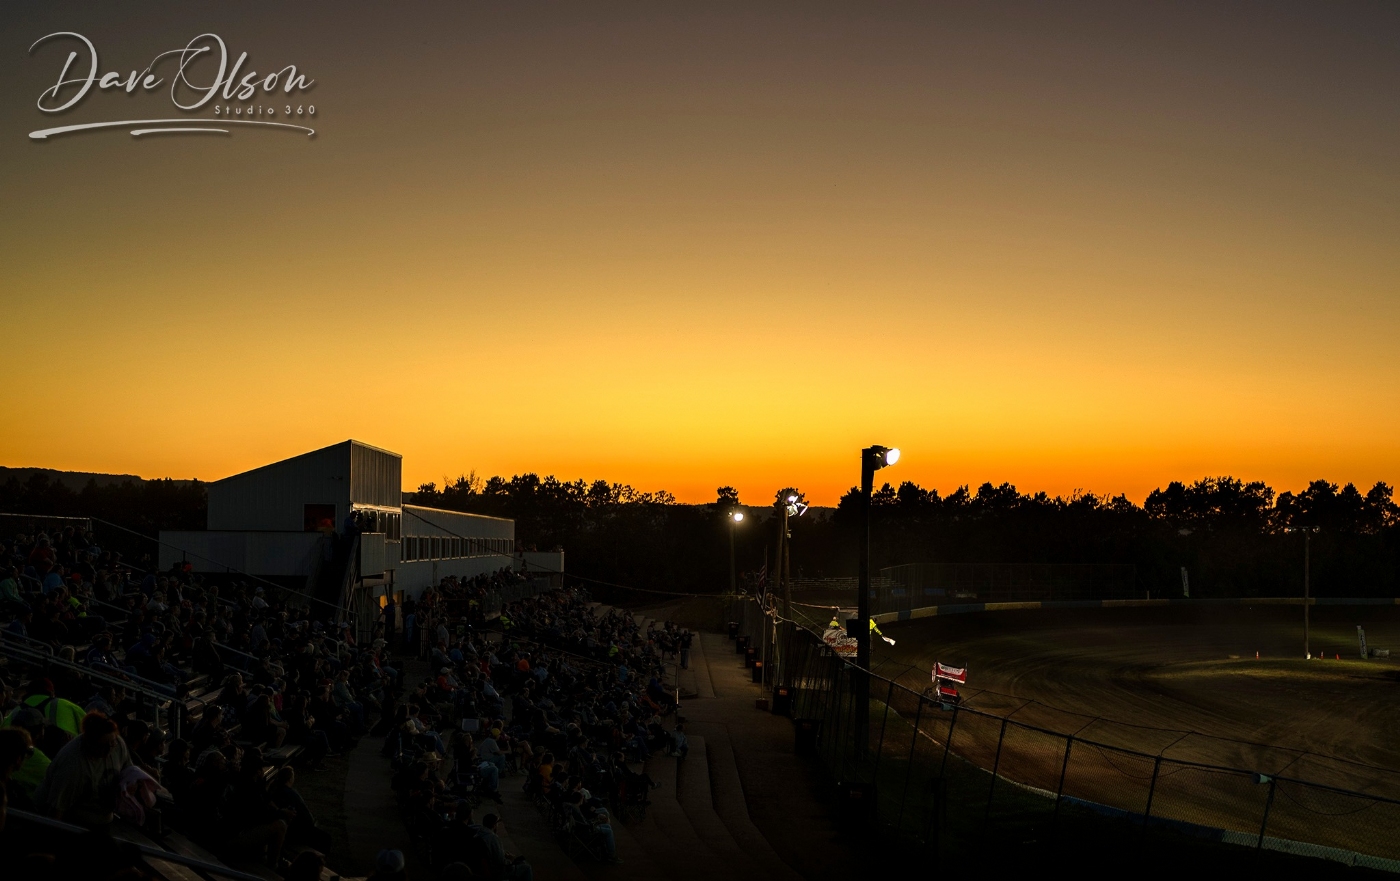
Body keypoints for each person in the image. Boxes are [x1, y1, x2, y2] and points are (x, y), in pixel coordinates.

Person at [34, 712, 133, 826]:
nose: (109, 749)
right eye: (103, 746)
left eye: (112, 742)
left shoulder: (117, 744)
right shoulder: (72, 764)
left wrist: (131, 783)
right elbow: (56, 811)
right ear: (90, 743)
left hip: (103, 818)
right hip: (73, 823)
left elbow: (128, 769)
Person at [468, 813, 533, 881]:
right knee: (527, 868)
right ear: (494, 825)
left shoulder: (479, 833)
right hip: (496, 872)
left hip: (483, 869)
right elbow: (501, 861)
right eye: (497, 823)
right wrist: (511, 860)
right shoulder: (493, 838)